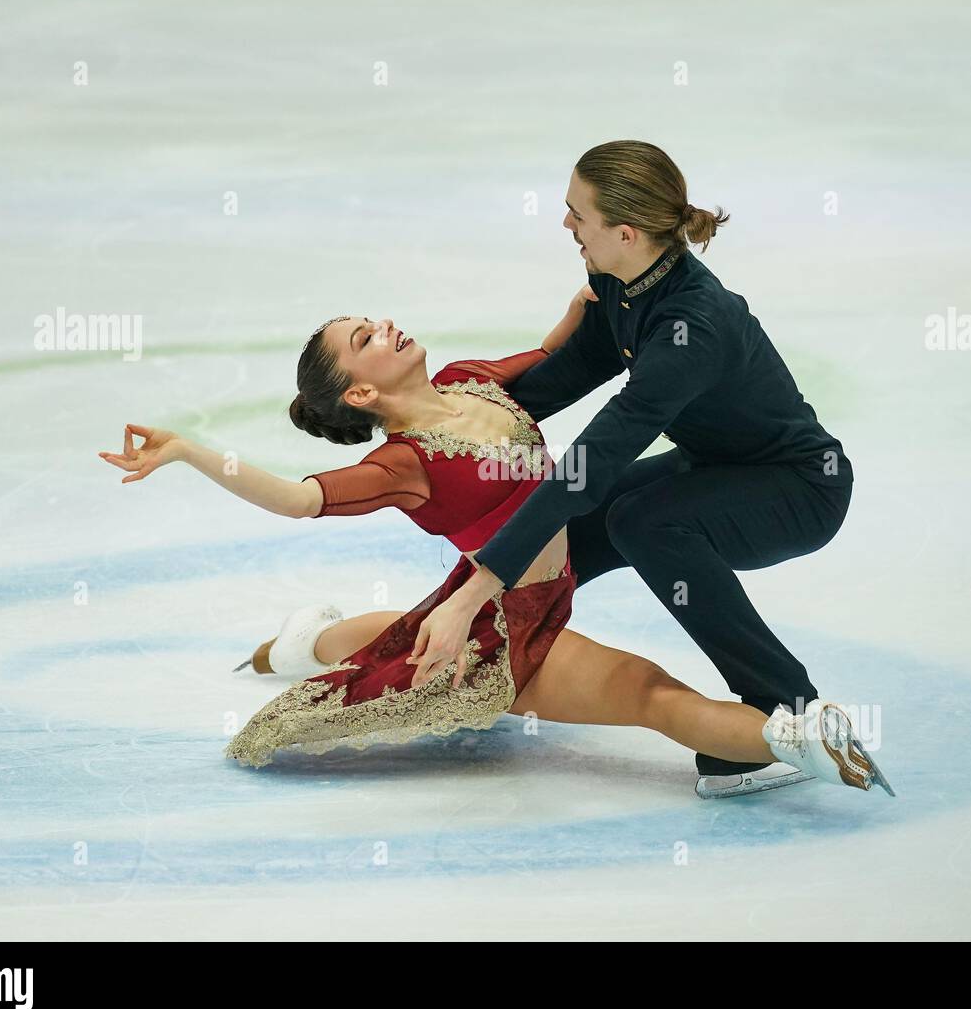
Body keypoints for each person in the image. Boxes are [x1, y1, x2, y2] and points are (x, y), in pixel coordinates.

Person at [97, 303, 891, 797]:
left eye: (373, 316)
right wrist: (191, 452)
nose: (386, 324)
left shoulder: (471, 381)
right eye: (366, 337)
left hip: (516, 582)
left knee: (392, 632)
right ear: (362, 394)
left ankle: (307, 638)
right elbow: (302, 498)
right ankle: (799, 740)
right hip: (507, 628)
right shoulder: (402, 466)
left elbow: (557, 353)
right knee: (649, 696)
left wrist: (614, 280)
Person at [407, 139, 885, 799]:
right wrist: (433, 423)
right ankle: (461, 662)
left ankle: (788, 709)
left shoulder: (697, 325)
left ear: (625, 233)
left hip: (798, 490)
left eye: (577, 214)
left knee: (643, 521)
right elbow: (549, 388)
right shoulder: (623, 285)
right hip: (716, 467)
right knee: (576, 536)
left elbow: (591, 461)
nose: (566, 226)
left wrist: (475, 587)